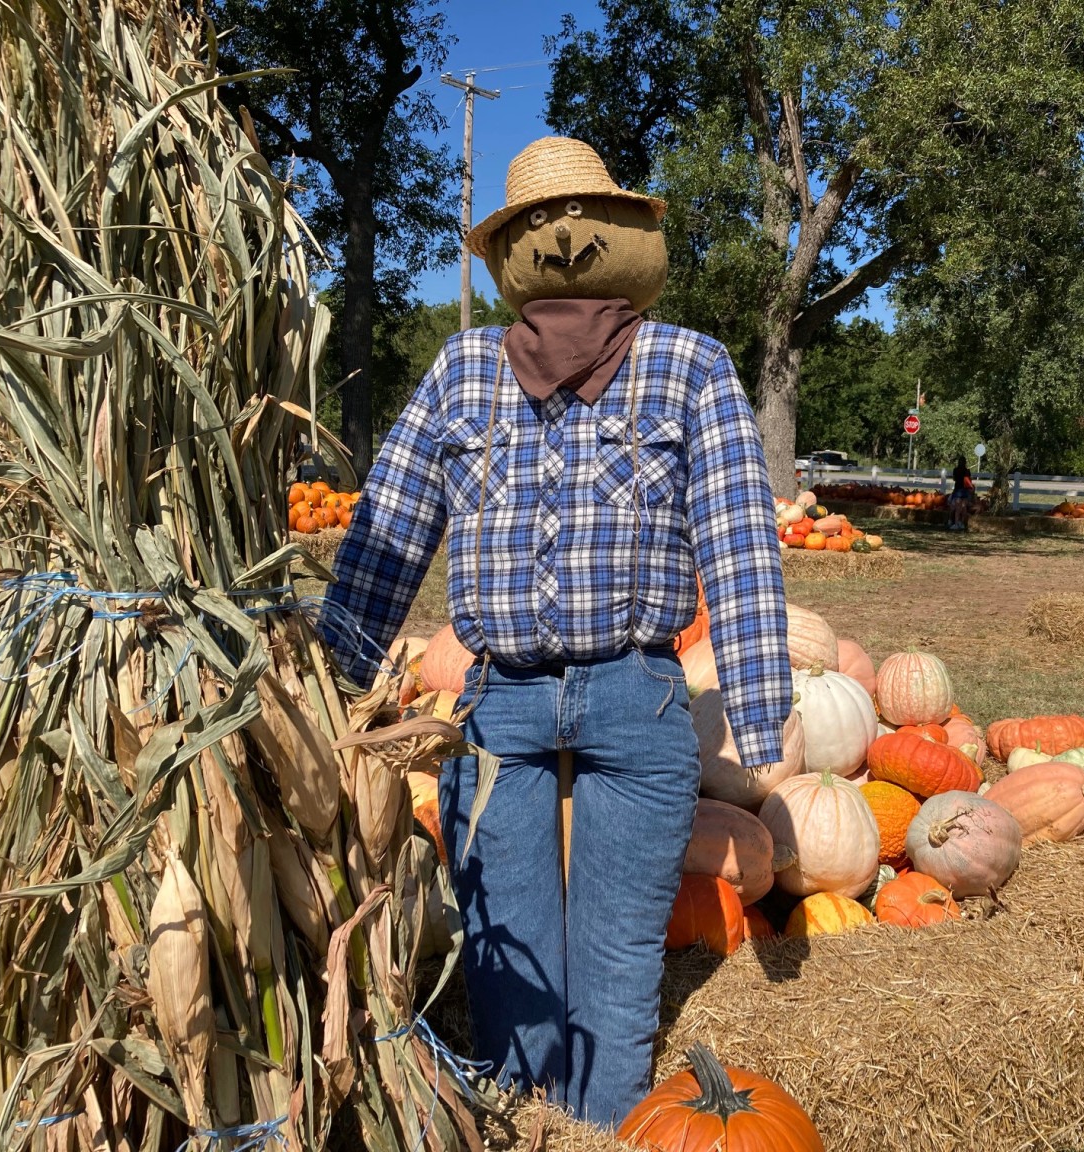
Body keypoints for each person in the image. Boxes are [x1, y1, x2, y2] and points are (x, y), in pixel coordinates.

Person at [321, 137, 792, 1128]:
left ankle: (593, 1136)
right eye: (546, 227)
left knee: (614, 968)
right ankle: (527, 1128)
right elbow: (390, 530)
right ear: (513, 254)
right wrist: (338, 670)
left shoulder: (689, 368)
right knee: (510, 960)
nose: (567, 243)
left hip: (636, 695)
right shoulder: (463, 371)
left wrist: (758, 704)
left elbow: (739, 536)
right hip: (503, 707)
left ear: (622, 240)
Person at [947, 456, 976, 530]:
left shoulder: (955, 470)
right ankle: (962, 523)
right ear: (965, 462)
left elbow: (954, 479)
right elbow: (969, 481)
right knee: (963, 507)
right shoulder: (967, 471)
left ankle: (956, 523)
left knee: (957, 507)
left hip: (958, 490)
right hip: (965, 491)